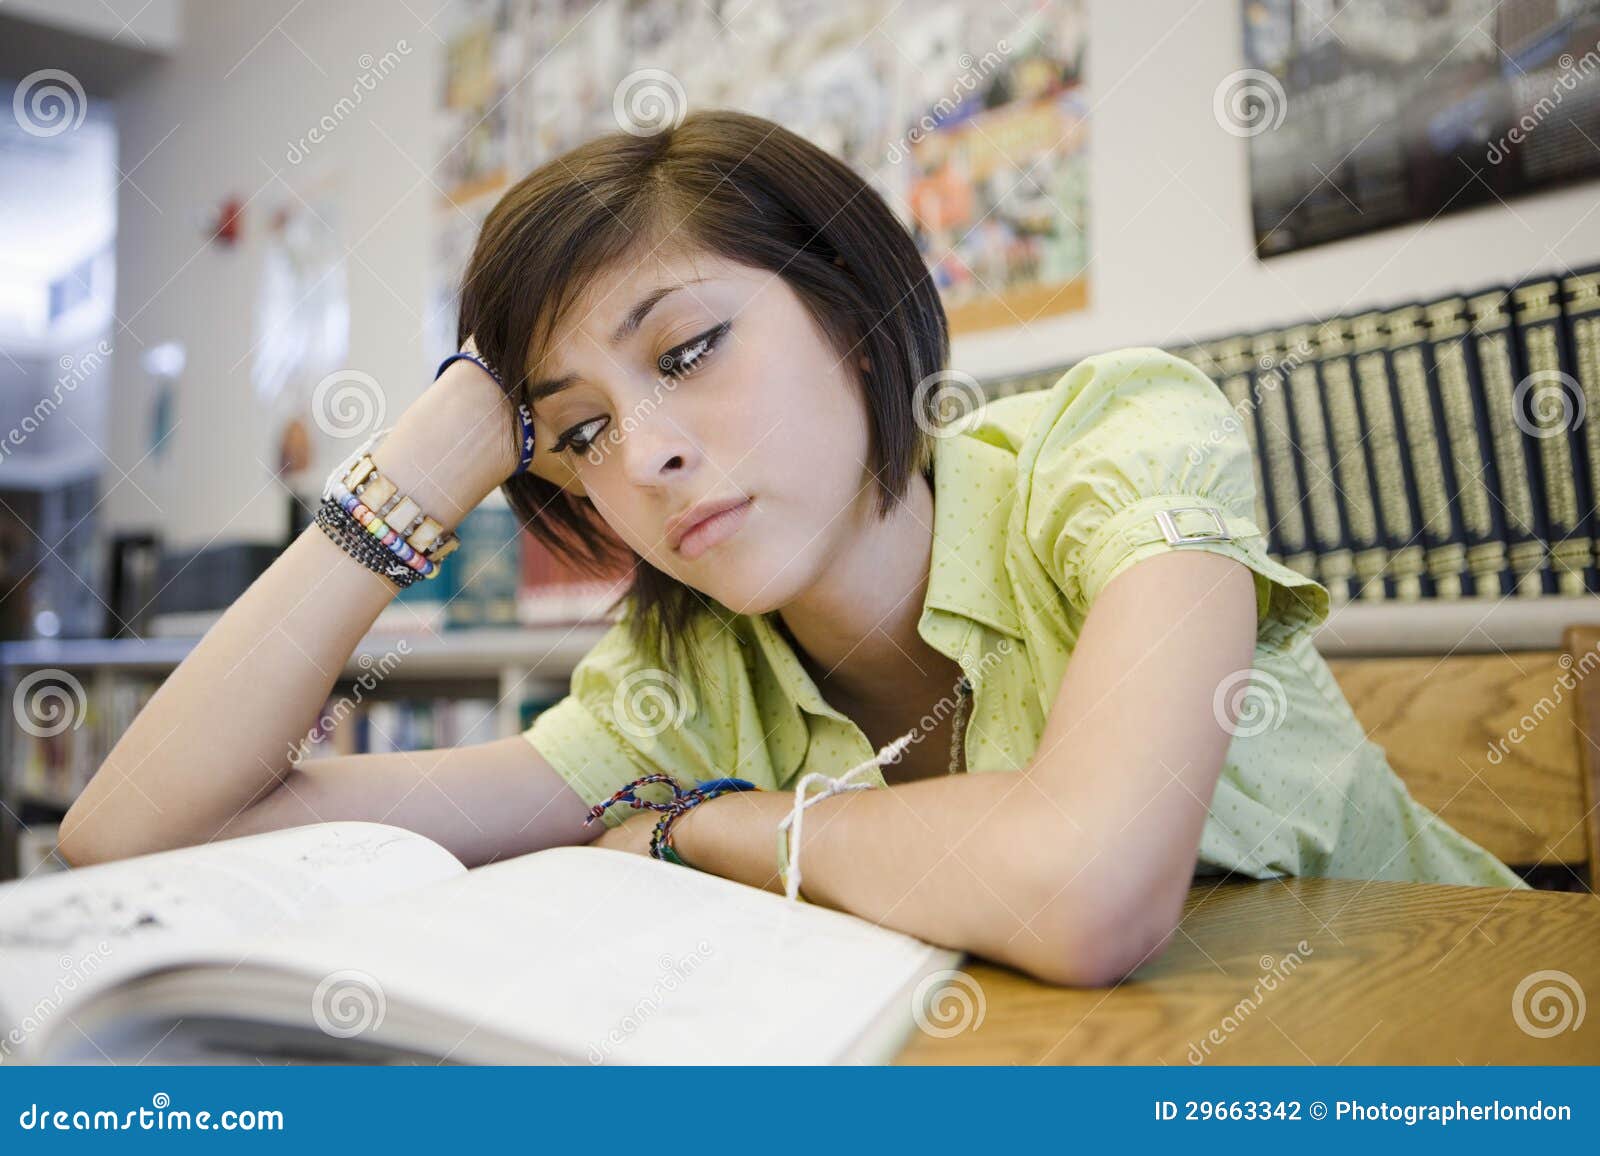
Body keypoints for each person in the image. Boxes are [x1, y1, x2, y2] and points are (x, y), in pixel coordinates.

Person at [59, 110, 1525, 990]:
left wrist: (701, 824)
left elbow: (1087, 890)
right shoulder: (680, 673)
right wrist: (418, 473)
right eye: (574, 434)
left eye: (689, 350)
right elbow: (134, 836)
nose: (645, 455)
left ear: (854, 303)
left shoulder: (1116, 440)